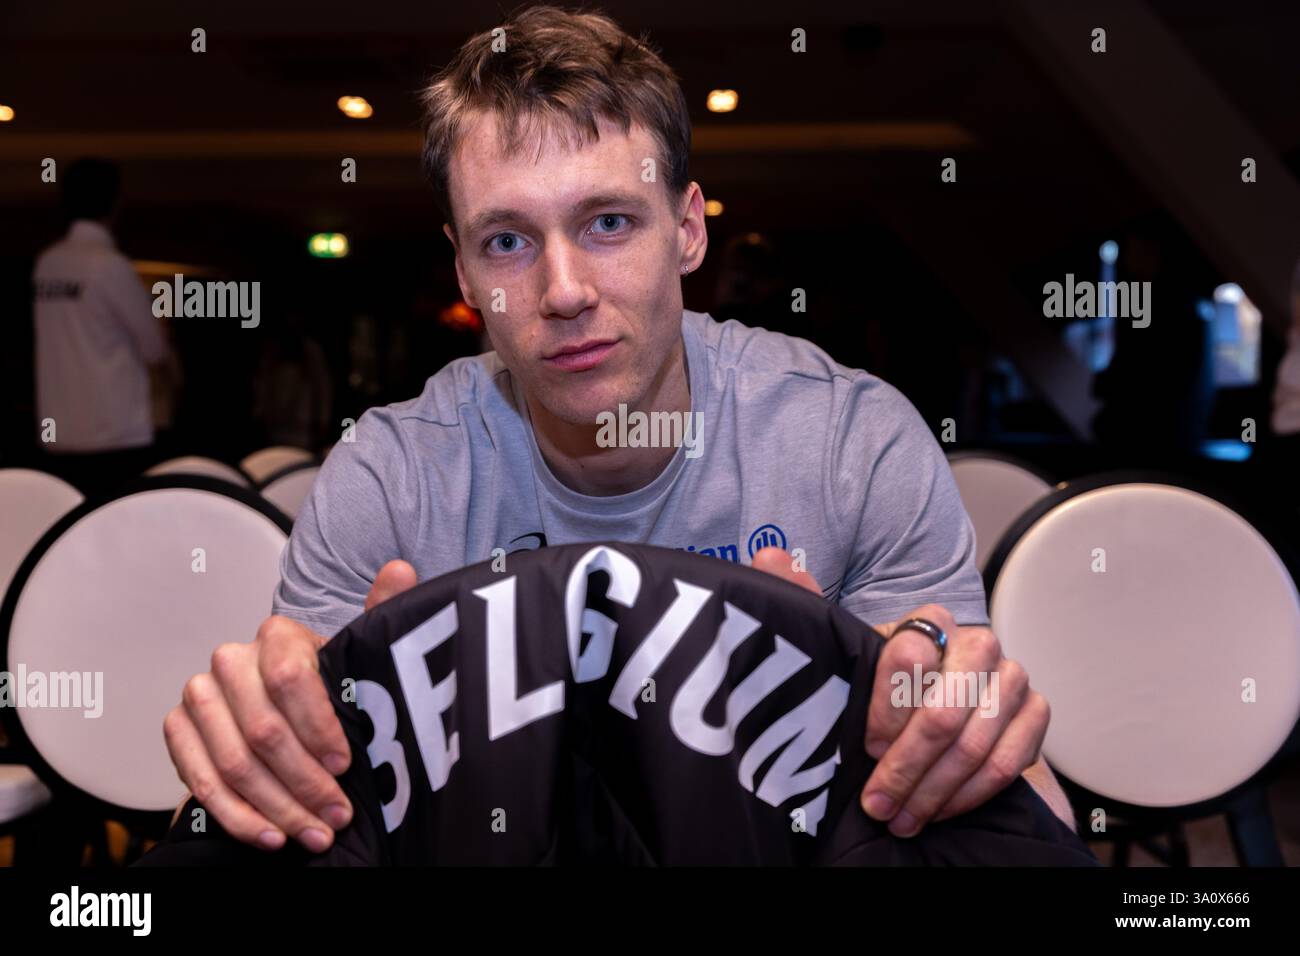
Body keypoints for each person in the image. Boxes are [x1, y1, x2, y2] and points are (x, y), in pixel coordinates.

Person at [163, 4, 1071, 857]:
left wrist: (955, 711)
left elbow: (983, 775)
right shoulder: (389, 475)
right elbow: (269, 793)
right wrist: (247, 754)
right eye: (508, 241)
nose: (563, 291)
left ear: (686, 229)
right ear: (466, 271)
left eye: (608, 222)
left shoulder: (848, 441)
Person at [33, 158, 176, 497]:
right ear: (115, 203)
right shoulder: (108, 265)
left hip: (60, 430)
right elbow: (154, 347)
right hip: (113, 434)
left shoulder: (47, 263)